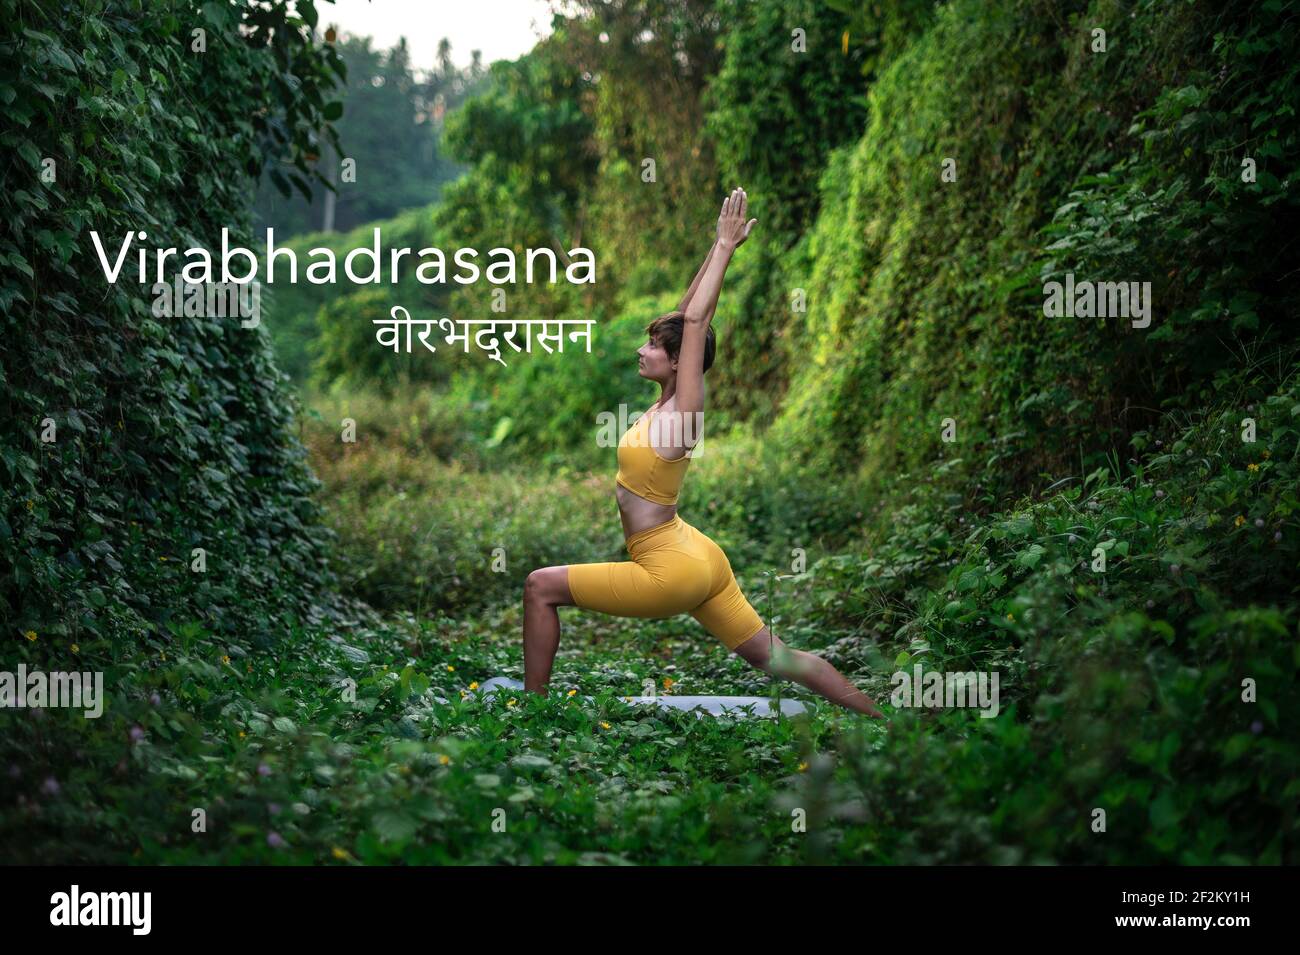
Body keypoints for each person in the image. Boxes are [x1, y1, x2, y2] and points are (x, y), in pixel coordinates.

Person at [522, 187, 886, 719]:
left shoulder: (684, 415)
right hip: (697, 553)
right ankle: (884, 722)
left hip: (669, 567)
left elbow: (693, 326)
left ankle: (532, 714)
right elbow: (689, 314)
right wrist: (719, 254)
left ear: (677, 363)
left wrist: (724, 246)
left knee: (539, 586)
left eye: (652, 346)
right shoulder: (663, 403)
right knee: (776, 657)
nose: (641, 350)